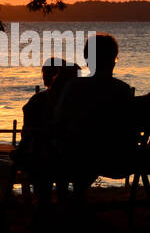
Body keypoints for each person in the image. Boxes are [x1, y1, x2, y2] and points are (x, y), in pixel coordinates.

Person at [54, 33, 136, 187]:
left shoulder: (74, 87)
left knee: (55, 149)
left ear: (87, 59)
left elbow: (58, 122)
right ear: (113, 60)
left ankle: (60, 204)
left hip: (81, 158)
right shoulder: (123, 89)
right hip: (120, 160)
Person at [14, 58, 79, 200]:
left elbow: (27, 135)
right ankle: (62, 200)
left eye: (45, 72)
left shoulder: (38, 101)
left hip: (44, 160)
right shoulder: (78, 103)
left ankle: (45, 204)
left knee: (43, 153)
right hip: (73, 159)